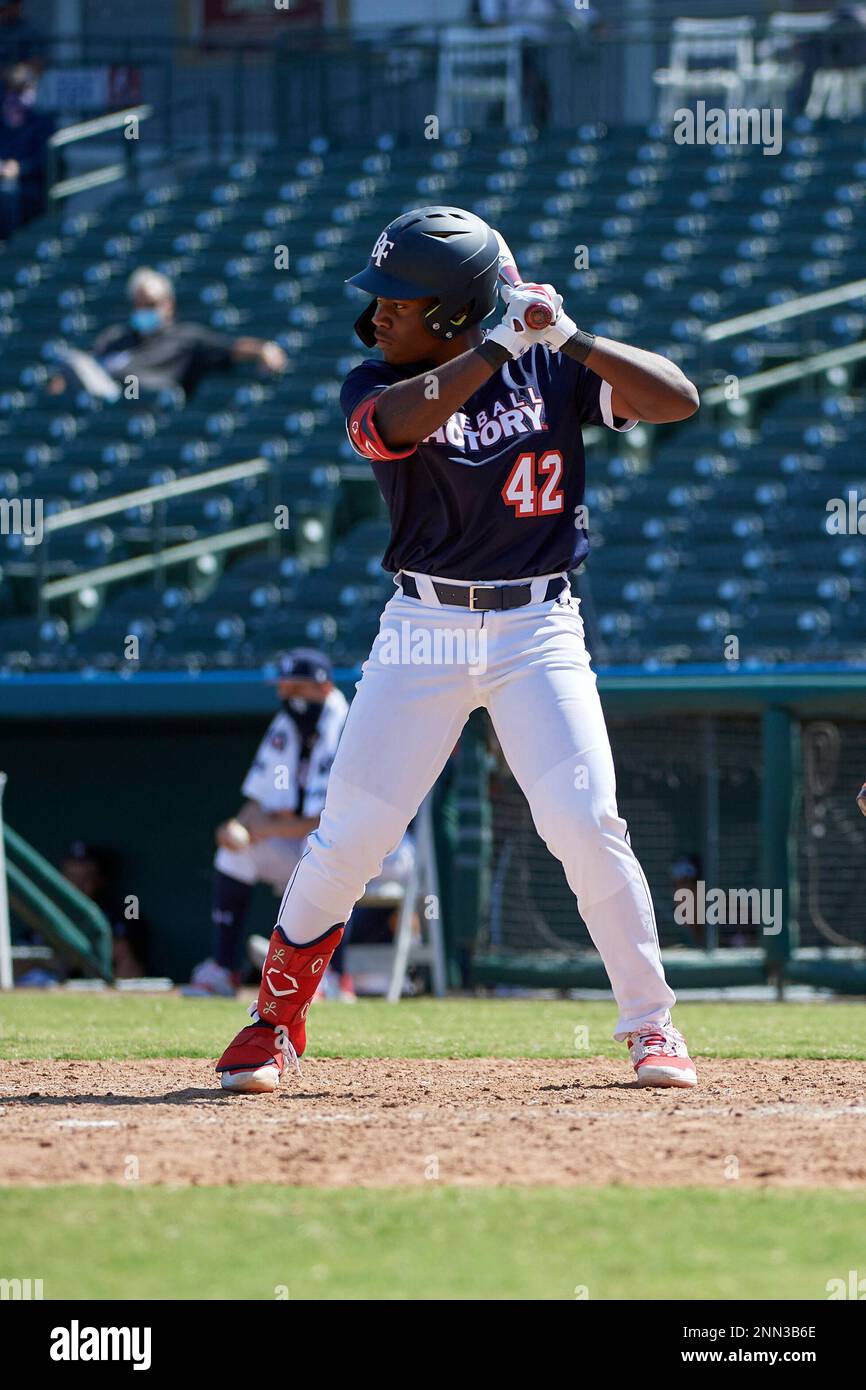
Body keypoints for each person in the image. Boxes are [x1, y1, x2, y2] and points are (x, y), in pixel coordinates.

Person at [215, 205, 700, 1094]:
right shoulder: (372, 380)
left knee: (588, 824)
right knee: (349, 839)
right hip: (421, 629)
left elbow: (678, 398)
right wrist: (497, 348)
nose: (379, 312)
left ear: (452, 308)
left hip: (538, 629)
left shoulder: (548, 369)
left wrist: (571, 337)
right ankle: (273, 1023)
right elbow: (393, 427)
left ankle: (651, 1027)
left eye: (403, 300)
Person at [184, 649, 350, 997]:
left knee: (325, 849)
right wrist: (237, 826)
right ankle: (224, 970)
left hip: (375, 851)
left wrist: (262, 829)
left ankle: (332, 976)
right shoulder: (288, 727)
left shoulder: (346, 725)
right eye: (284, 689)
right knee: (236, 854)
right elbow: (263, 801)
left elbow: (325, 819)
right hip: (307, 841)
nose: (287, 698)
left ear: (324, 688)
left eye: (296, 690)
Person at [47, 266, 288, 401]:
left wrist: (263, 349)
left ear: (168, 304)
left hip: (148, 398)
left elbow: (229, 348)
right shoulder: (116, 337)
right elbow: (93, 363)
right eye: (140, 304)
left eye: (152, 304)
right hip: (107, 395)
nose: (145, 311)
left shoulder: (186, 337)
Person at [60, 841, 148, 979]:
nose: (77, 885)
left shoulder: (125, 910)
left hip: (101, 983)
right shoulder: (49, 910)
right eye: (72, 878)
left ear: (99, 880)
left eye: (86, 878)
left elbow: (124, 950)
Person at [0, 61, 51, 240]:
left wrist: (19, 169)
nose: (16, 98)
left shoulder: (42, 125)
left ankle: (10, 249)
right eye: (12, 91)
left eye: (22, 91)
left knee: (7, 192)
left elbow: (46, 161)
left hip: (31, 188)